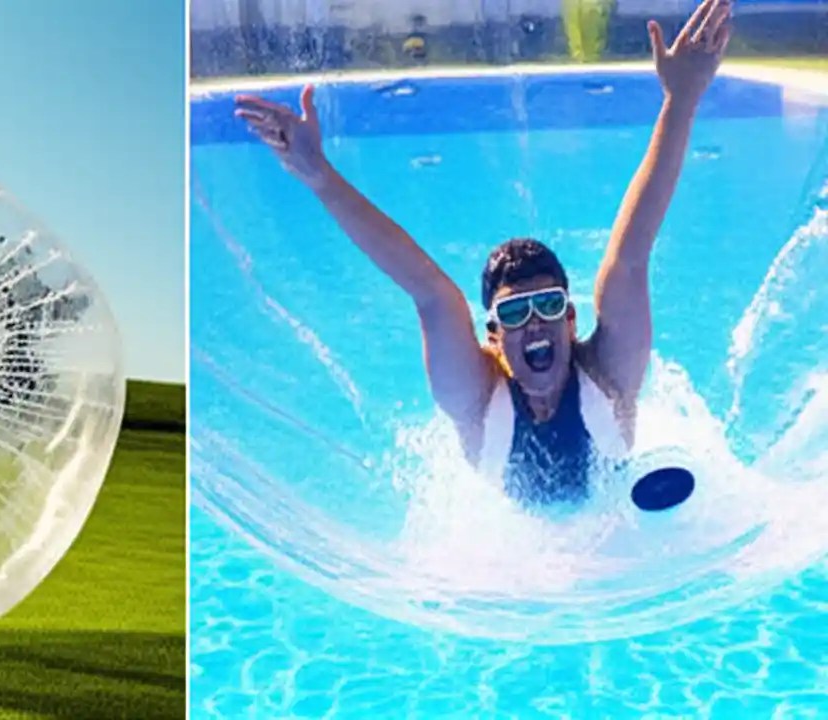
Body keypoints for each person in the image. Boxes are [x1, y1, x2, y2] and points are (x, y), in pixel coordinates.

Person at [234, 0, 732, 505]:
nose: (534, 323)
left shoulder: (608, 377)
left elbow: (629, 255)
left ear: (571, 320)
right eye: (515, 312)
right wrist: (320, 176)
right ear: (493, 337)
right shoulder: (476, 400)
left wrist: (681, 99)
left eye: (549, 306)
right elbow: (427, 290)